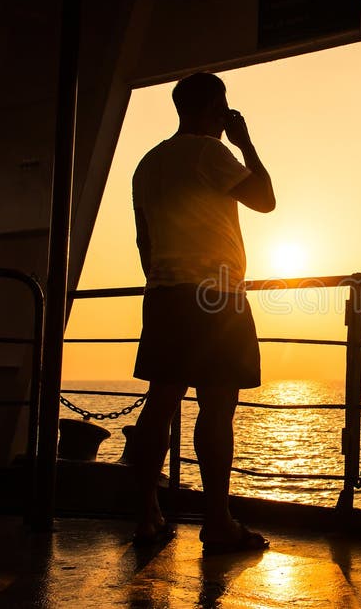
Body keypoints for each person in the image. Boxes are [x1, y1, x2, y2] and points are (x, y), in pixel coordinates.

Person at [130, 72, 275, 553]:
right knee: (217, 408)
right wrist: (246, 141)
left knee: (161, 401)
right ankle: (216, 522)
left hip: (165, 293)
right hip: (217, 296)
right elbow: (266, 200)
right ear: (216, 108)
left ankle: (147, 513)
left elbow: (144, 240)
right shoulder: (212, 153)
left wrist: (165, 279)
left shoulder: (147, 164)